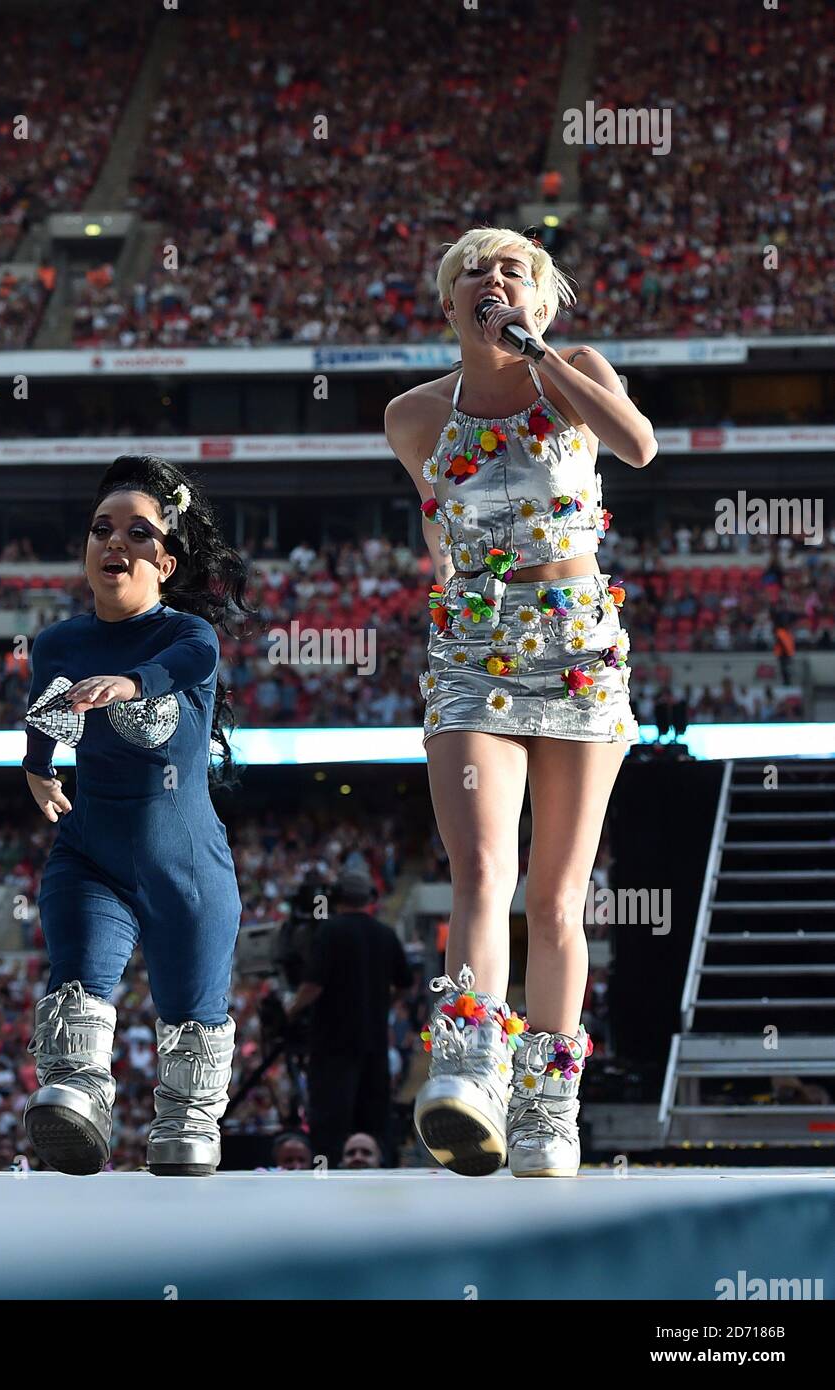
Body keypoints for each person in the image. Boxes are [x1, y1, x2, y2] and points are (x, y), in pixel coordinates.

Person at [385, 226, 657, 1178]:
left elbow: (638, 445)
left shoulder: (574, 365)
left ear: (541, 299)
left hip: (579, 643)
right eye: (473, 269)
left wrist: (541, 357)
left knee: (555, 896)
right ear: (448, 301)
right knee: (481, 868)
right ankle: (467, 1071)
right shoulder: (414, 414)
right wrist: (461, 602)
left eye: (513, 270)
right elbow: (438, 522)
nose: (492, 280)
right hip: (474, 653)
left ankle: (550, 1106)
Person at [21, 453, 253, 1177]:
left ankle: (185, 1123)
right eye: (100, 529)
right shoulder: (59, 642)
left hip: (187, 868)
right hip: (90, 852)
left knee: (191, 1019)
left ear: (168, 558)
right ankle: (78, 1102)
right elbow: (46, 712)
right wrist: (37, 768)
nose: (113, 542)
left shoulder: (189, 637)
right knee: (78, 980)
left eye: (136, 532)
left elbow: (178, 672)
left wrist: (128, 683)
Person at [285, 864, 413, 1168]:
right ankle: (381, 1173)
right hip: (374, 1044)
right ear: (369, 898)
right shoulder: (385, 933)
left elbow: (313, 986)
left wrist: (290, 1010)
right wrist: (383, 1003)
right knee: (374, 1116)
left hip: (332, 1045)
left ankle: (326, 1178)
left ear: (336, 896)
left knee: (330, 1120)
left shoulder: (329, 931)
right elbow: (405, 984)